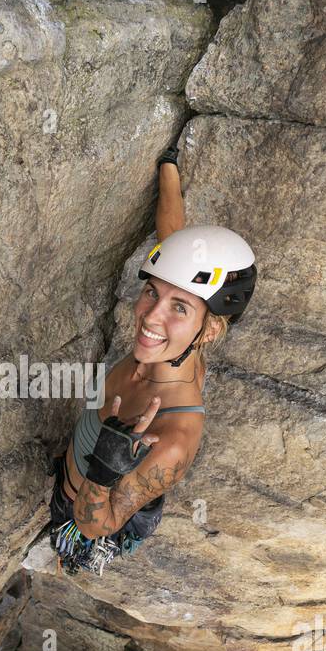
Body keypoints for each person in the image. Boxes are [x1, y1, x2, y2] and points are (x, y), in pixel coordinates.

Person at [48, 141, 257, 575]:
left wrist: (104, 472)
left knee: (73, 542)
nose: (150, 315)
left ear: (211, 330)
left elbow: (96, 525)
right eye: (151, 292)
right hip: (94, 464)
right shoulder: (179, 342)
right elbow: (173, 237)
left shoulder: (173, 438)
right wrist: (169, 169)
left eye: (179, 308)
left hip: (87, 513)